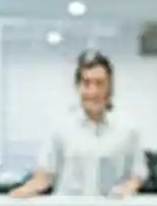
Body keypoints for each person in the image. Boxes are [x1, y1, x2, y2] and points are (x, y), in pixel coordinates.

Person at [8, 50, 148, 198]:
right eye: (86, 83)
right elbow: (45, 175)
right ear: (78, 87)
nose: (93, 91)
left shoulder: (127, 129)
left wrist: (128, 188)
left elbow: (138, 173)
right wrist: (23, 191)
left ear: (110, 88)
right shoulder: (61, 128)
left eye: (99, 84)